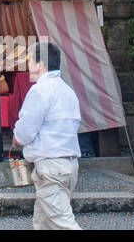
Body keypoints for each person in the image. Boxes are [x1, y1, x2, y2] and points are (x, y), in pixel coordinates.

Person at [12, 40, 82, 230]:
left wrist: (17, 138)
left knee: (63, 222)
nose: (29, 66)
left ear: (40, 64)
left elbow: (25, 131)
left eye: (30, 61)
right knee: (43, 221)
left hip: (50, 166)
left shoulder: (40, 91)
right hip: (69, 164)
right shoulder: (68, 92)